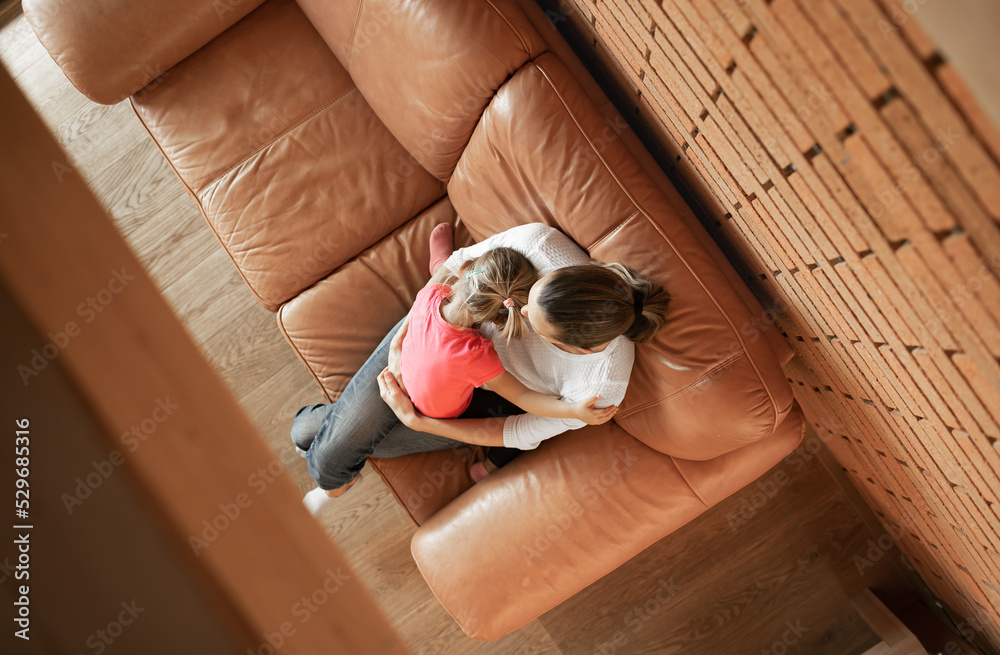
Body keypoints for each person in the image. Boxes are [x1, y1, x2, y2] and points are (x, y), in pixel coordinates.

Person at [292, 222, 670, 514]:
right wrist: (401, 345)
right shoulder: (539, 245)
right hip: (439, 324)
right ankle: (332, 464)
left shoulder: (598, 388)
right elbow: (455, 271)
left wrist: (418, 422)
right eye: (530, 297)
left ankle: (332, 471)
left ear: (575, 347)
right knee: (316, 438)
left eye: (533, 321)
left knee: (324, 451)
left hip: (483, 397)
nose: (521, 312)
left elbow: (520, 424)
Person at [399, 244, 616, 428]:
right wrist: (573, 411)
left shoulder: (429, 293)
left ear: (465, 268)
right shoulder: (476, 355)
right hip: (441, 415)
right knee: (511, 418)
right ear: (497, 320)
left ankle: (440, 264)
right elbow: (522, 396)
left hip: (404, 375)